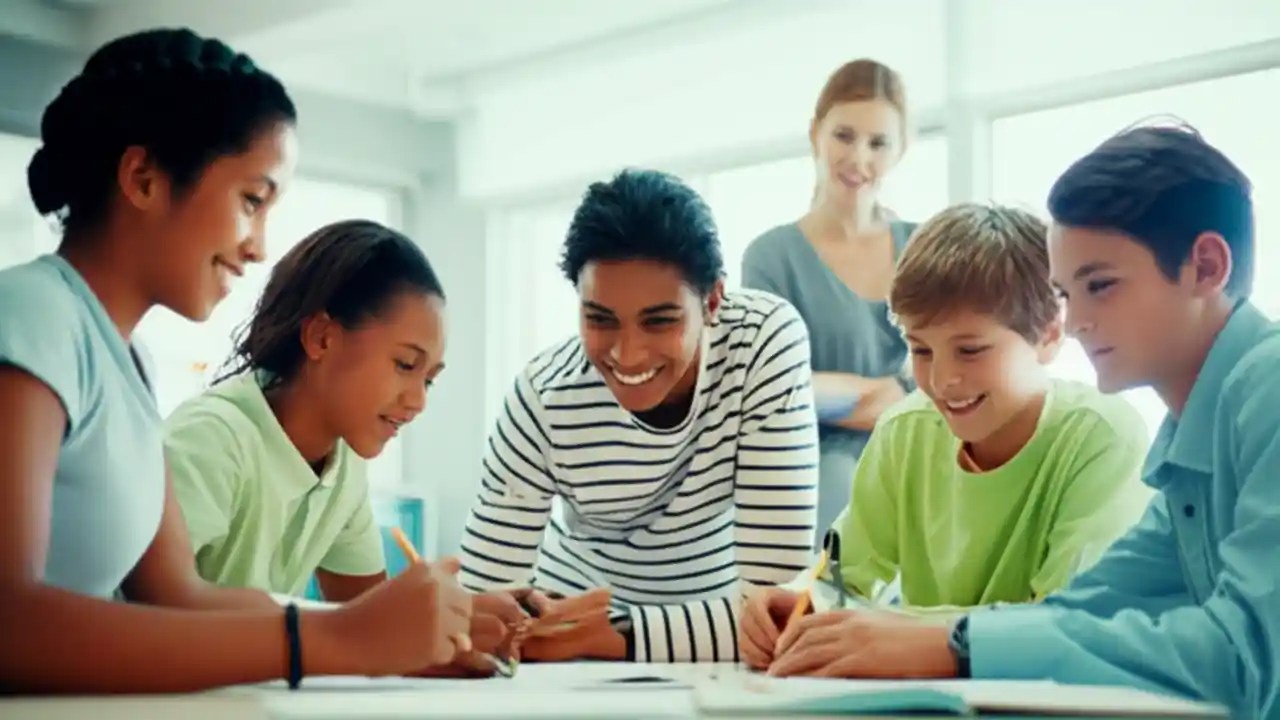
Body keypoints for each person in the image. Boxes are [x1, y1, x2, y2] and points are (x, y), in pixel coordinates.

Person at [0, 28, 475, 693]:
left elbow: (181, 597)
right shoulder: (31, 316)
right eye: (252, 201)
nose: (258, 249)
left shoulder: (130, 366)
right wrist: (334, 638)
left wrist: (393, 630)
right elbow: (9, 623)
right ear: (143, 178)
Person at [763, 123, 1280, 718]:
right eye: (1067, 291)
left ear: (1207, 266)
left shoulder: (1265, 388)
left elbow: (1245, 658)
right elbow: (1092, 606)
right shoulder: (1193, 434)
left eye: (1101, 285)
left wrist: (949, 646)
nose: (1076, 319)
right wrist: (850, 619)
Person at [738, 203, 1151, 670]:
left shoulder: (1103, 439)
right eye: (920, 349)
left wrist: (907, 632)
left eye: (971, 350)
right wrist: (800, 602)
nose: (942, 379)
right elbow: (842, 576)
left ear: (1049, 336)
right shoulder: (905, 431)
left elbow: (1072, 625)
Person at [459, 168, 820, 663]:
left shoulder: (763, 344)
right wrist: (518, 628)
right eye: (599, 319)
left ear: (712, 300)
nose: (627, 355)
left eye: (660, 321)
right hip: (565, 635)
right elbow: (482, 611)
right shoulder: (543, 398)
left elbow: (776, 612)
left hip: (682, 644)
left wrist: (614, 635)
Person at [166, 220, 447, 600]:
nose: (418, 402)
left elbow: (367, 625)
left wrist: (469, 622)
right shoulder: (210, 441)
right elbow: (150, 620)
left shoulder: (343, 463)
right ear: (321, 338)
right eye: (405, 365)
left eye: (428, 379)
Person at [741, 58, 919, 541]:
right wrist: (898, 392)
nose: (859, 158)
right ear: (815, 133)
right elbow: (775, 389)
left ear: (901, 150)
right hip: (821, 478)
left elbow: (958, 369)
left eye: (878, 142)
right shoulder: (772, 257)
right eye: (844, 135)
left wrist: (843, 392)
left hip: (926, 457)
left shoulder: (927, 245)